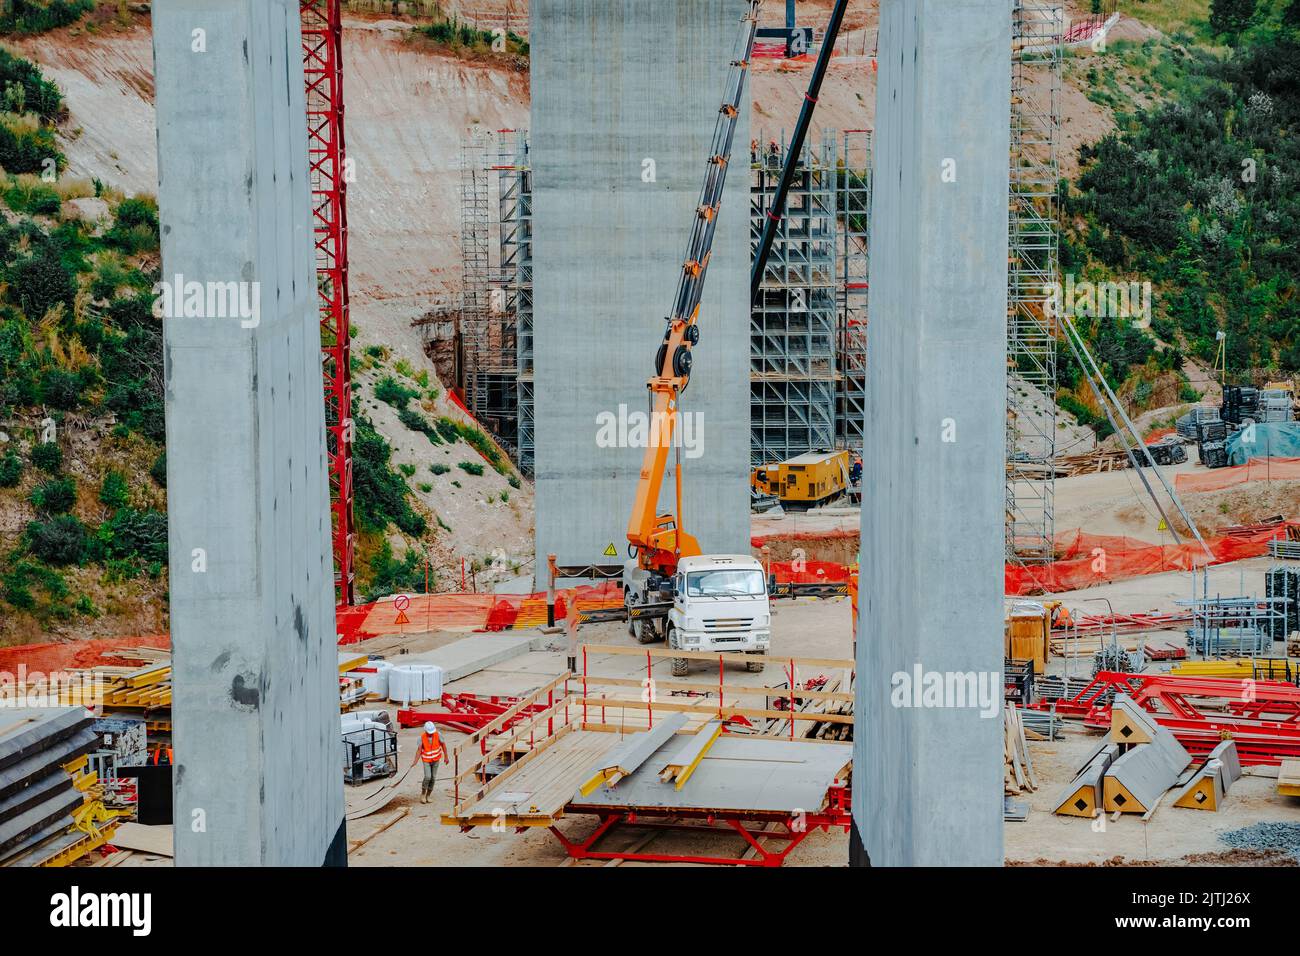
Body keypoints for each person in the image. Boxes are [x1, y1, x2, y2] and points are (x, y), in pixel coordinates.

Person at [411, 721, 447, 804]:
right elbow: (419, 750)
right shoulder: (421, 738)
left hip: (436, 759)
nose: (430, 734)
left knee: (433, 778)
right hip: (426, 760)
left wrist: (446, 756)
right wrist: (415, 761)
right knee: (428, 777)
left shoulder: (438, 735)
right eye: (429, 733)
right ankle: (423, 794)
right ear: (425, 731)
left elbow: (443, 745)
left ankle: (428, 795)